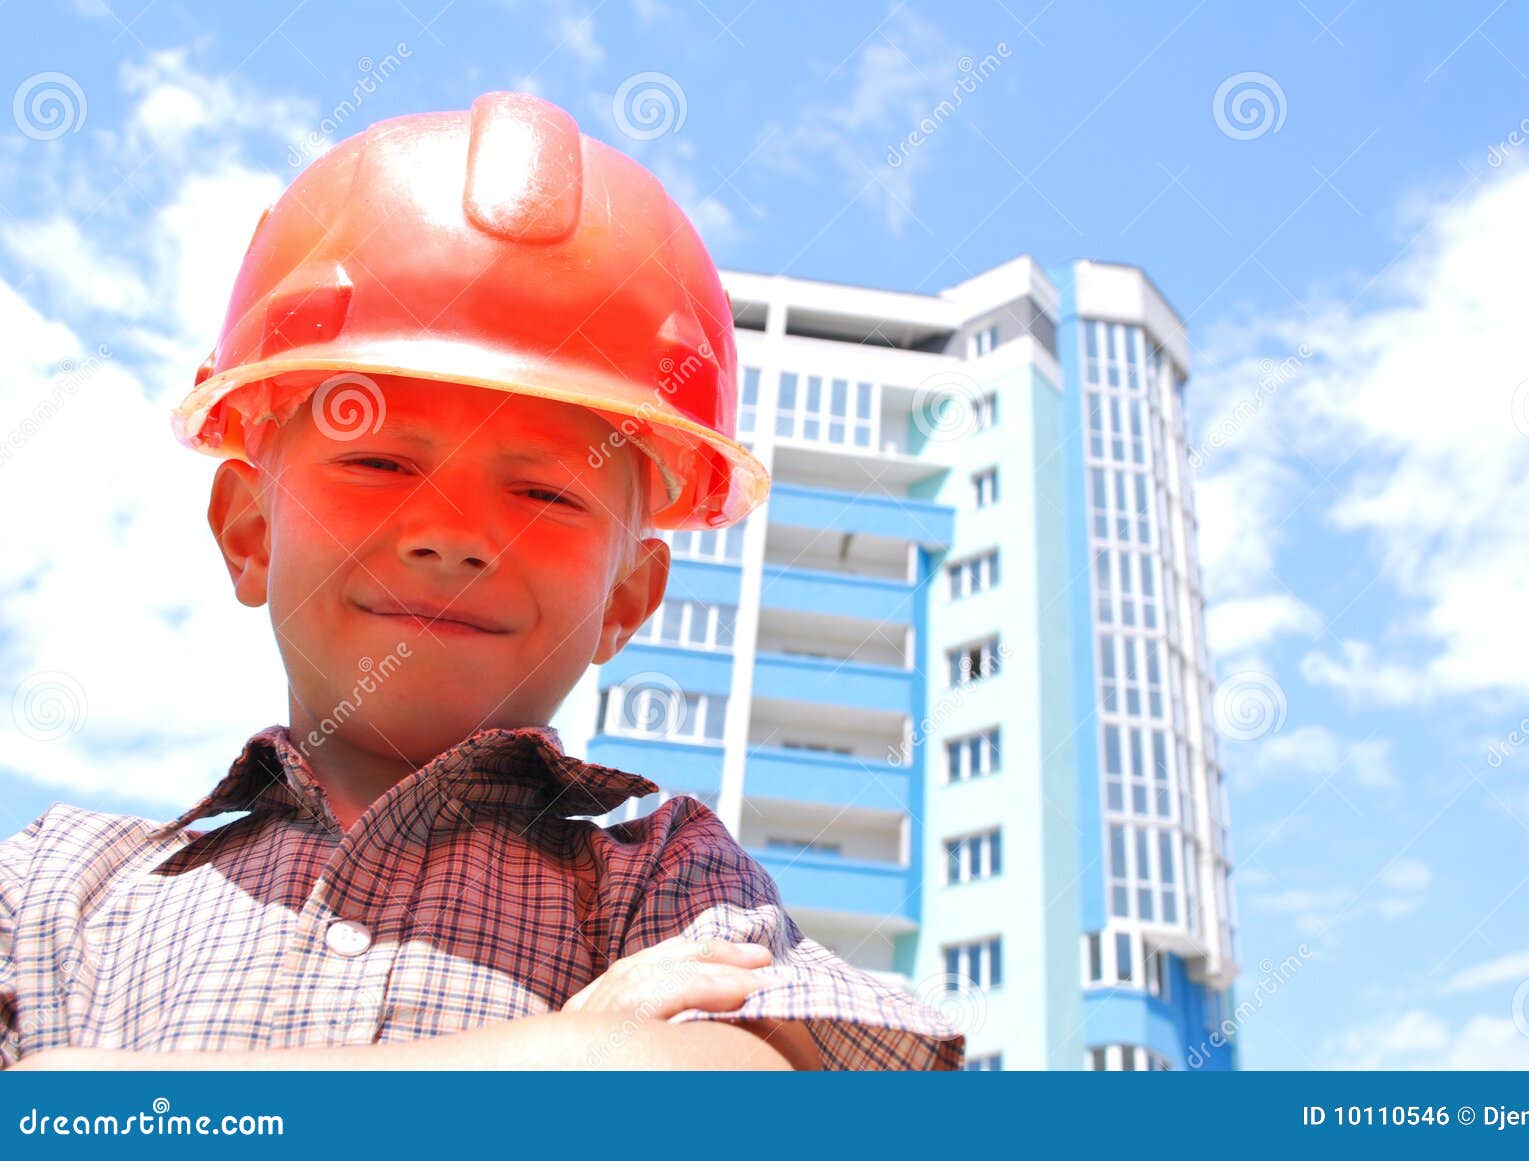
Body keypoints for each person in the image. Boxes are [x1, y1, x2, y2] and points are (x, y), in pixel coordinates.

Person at [0, 93, 964, 1071]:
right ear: (249, 533)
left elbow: (765, 1087)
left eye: (546, 493)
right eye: (376, 463)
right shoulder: (56, 885)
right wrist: (568, 1056)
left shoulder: (673, 881)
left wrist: (105, 1096)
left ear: (627, 601)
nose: (456, 537)